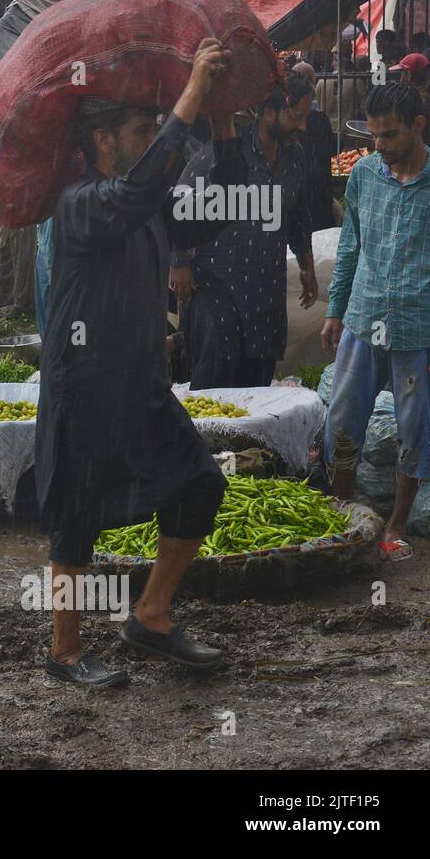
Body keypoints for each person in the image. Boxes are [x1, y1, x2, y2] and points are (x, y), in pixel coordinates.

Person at [37, 39, 246, 687]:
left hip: (142, 388)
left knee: (201, 484)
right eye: (140, 128)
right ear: (103, 140)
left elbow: (223, 204)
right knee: (75, 520)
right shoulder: (80, 205)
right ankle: (65, 651)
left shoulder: (148, 204)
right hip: (84, 389)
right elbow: (137, 191)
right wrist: (188, 95)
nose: (152, 135)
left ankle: (151, 614)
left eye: (153, 125)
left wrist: (223, 118)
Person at [323, 83, 430, 563]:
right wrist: (334, 310)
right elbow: (349, 247)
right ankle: (338, 511)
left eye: (389, 136)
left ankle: (396, 523)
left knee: (416, 429)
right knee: (343, 423)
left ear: (418, 126)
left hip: (419, 327)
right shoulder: (364, 174)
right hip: (364, 319)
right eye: (375, 137)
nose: (380, 147)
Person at [172, 85, 317, 389]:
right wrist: (179, 262)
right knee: (216, 370)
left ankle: (248, 437)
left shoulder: (295, 157)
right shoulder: (224, 152)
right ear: (268, 114)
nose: (302, 126)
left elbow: (298, 215)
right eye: (296, 117)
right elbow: (181, 200)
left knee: (257, 377)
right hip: (216, 281)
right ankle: (206, 436)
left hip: (266, 286)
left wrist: (307, 266)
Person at [289, 65, 340, 233]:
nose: (303, 126)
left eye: (306, 114)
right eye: (298, 117)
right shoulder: (279, 138)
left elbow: (327, 159)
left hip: (320, 209)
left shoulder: (320, 122)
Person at [390, 53, 430, 144]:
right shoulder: (424, 96)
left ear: (409, 75)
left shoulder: (417, 101)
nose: (400, 78)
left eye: (402, 73)